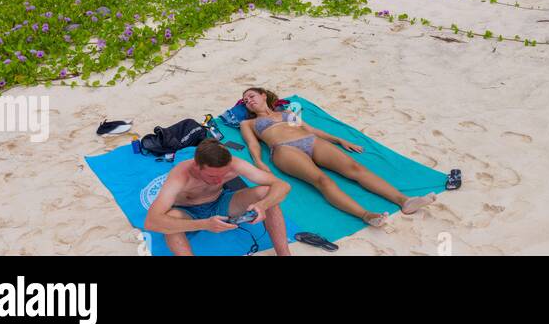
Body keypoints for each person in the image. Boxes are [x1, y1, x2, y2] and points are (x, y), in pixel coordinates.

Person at [239, 87, 436, 227]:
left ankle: (405, 201)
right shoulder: (248, 124)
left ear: (263, 95)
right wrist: (259, 163)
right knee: (322, 180)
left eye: (251, 96)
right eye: (246, 101)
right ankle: (366, 215)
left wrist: (340, 140)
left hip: (310, 140)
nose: (249, 101)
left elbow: (311, 129)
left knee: (355, 169)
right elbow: (253, 144)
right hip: (284, 150)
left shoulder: (287, 112)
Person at [143, 138, 292, 256]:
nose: (219, 181)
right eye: (212, 176)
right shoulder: (180, 175)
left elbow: (282, 185)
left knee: (266, 193)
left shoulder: (234, 164)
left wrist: (263, 205)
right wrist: (205, 224)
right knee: (169, 223)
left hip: (220, 202)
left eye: (224, 175)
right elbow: (151, 222)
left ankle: (284, 254)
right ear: (197, 166)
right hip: (187, 212)